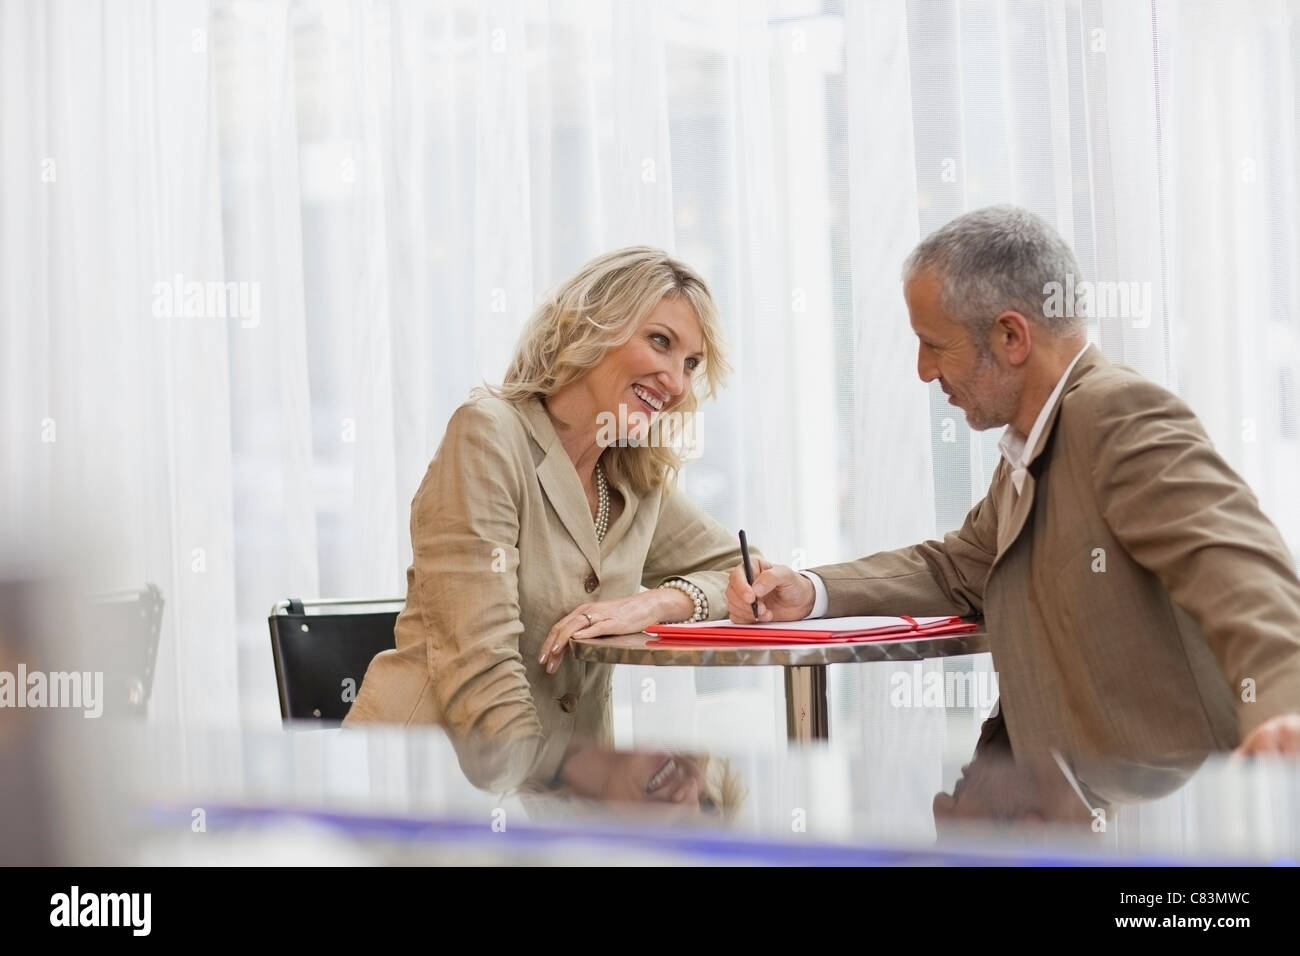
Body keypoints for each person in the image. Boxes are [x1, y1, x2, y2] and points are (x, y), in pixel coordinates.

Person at [725, 205, 1300, 802]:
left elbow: (1242, 570)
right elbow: (960, 566)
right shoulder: (1033, 441)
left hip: (1161, 824)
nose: (924, 371)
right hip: (1064, 816)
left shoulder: (1116, 413)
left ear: (1010, 336)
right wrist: (811, 589)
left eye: (933, 345)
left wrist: (1285, 711)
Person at [345, 247, 757, 807]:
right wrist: (590, 779)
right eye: (660, 341)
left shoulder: (633, 474)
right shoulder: (489, 435)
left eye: (691, 363)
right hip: (432, 789)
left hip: (560, 798)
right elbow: (480, 670)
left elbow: (746, 573)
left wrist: (659, 603)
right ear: (590, 325)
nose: (677, 382)